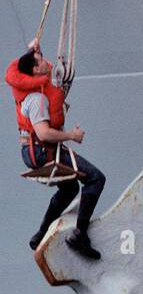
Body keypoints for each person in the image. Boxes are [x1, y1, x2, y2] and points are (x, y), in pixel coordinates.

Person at [8, 41, 105, 259]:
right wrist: (72, 135)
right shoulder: (37, 98)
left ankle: (40, 233)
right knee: (96, 179)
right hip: (42, 150)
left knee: (69, 188)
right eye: (40, 59)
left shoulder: (26, 87)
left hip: (30, 150)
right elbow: (43, 133)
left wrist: (33, 47)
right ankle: (79, 235)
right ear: (34, 70)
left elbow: (25, 64)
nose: (45, 59)